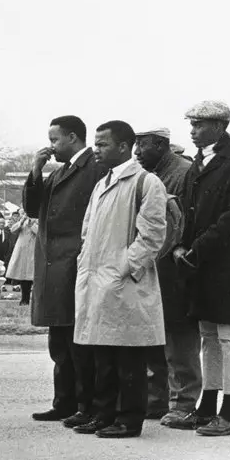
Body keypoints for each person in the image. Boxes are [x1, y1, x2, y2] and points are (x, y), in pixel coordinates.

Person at [72, 121, 166, 438]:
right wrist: (87, 260)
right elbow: (88, 231)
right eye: (96, 144)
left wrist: (122, 267)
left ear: (124, 147)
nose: (96, 149)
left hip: (124, 283)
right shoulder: (102, 183)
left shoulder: (146, 182)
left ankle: (129, 419)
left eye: (102, 144)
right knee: (104, 355)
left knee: (129, 357)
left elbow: (152, 236)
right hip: (98, 281)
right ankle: (104, 414)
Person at [171, 101, 230, 436]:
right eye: (192, 124)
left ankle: (228, 413)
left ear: (221, 126)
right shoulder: (199, 162)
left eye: (200, 124)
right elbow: (188, 211)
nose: (193, 130)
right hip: (199, 261)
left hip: (227, 263)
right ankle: (207, 406)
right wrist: (180, 244)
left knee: (229, 336)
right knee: (208, 336)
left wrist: (196, 248)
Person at [23, 115, 107, 425]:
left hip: (75, 263)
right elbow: (33, 209)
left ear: (72, 138)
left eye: (55, 139)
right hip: (53, 264)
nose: (51, 146)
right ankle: (64, 402)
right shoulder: (60, 172)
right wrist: (35, 172)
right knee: (60, 341)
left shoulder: (95, 169)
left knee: (79, 342)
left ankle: (86, 405)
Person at [133, 126, 200, 425]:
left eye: (142, 146)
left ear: (160, 145)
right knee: (153, 334)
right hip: (153, 267)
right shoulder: (147, 176)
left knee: (179, 335)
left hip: (176, 269)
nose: (136, 153)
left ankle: (184, 401)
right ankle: (156, 399)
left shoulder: (185, 173)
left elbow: (191, 221)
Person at [5, 215, 39, 305]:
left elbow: (40, 233)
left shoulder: (37, 221)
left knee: (32, 277)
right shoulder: (23, 220)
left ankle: (34, 300)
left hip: (33, 252)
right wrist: (21, 222)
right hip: (22, 252)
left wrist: (32, 225)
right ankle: (24, 299)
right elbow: (13, 230)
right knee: (23, 277)